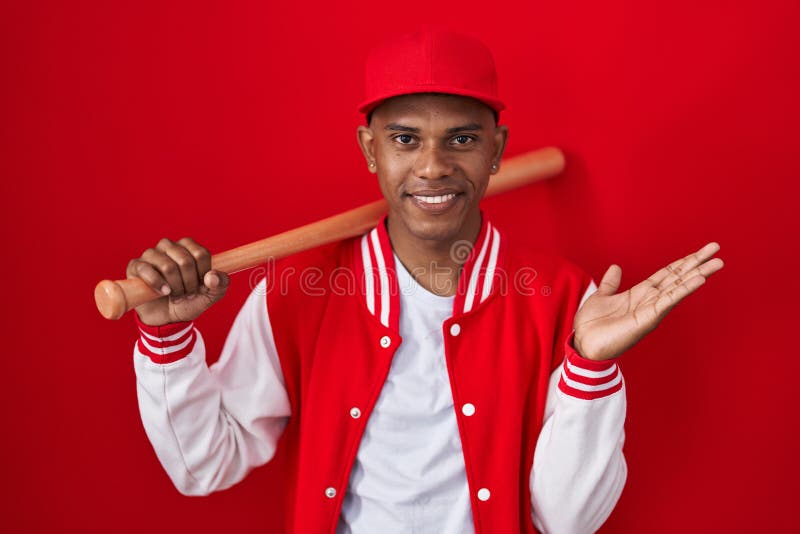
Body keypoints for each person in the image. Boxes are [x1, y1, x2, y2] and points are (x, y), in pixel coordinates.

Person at [126, 29, 724, 533]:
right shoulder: (297, 293)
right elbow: (204, 467)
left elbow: (567, 520)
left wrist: (591, 367)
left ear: (497, 149)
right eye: (404, 139)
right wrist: (167, 342)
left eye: (461, 139)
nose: (433, 166)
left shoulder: (567, 301)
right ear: (369, 150)